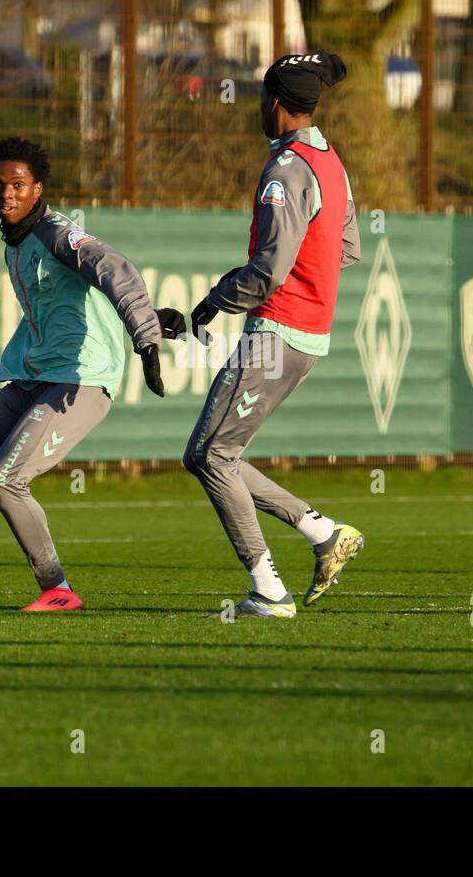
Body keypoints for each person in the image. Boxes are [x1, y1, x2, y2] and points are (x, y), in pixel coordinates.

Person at [0, 136, 184, 611]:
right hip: (33, 377)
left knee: (5, 478)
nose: (7, 193)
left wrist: (144, 330)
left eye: (18, 185)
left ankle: (58, 590)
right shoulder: (16, 242)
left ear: (38, 187)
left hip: (79, 381)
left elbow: (113, 267)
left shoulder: (58, 235)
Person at [183, 50, 364, 619]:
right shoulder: (330, 161)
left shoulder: (285, 171)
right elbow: (349, 249)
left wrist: (216, 299)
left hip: (277, 329)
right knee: (215, 454)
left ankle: (269, 590)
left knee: (212, 456)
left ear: (278, 105)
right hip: (307, 334)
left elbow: (266, 271)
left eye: (262, 100)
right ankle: (321, 531)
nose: (259, 109)